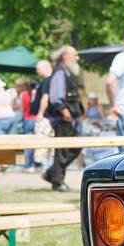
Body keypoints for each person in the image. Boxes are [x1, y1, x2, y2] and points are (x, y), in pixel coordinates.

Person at [43, 46, 85, 191]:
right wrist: (65, 112)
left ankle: (52, 174)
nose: (77, 58)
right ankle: (57, 182)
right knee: (62, 151)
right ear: (65, 57)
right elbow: (56, 98)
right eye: (75, 55)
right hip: (63, 119)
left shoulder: (66, 73)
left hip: (69, 119)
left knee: (75, 148)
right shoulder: (59, 74)